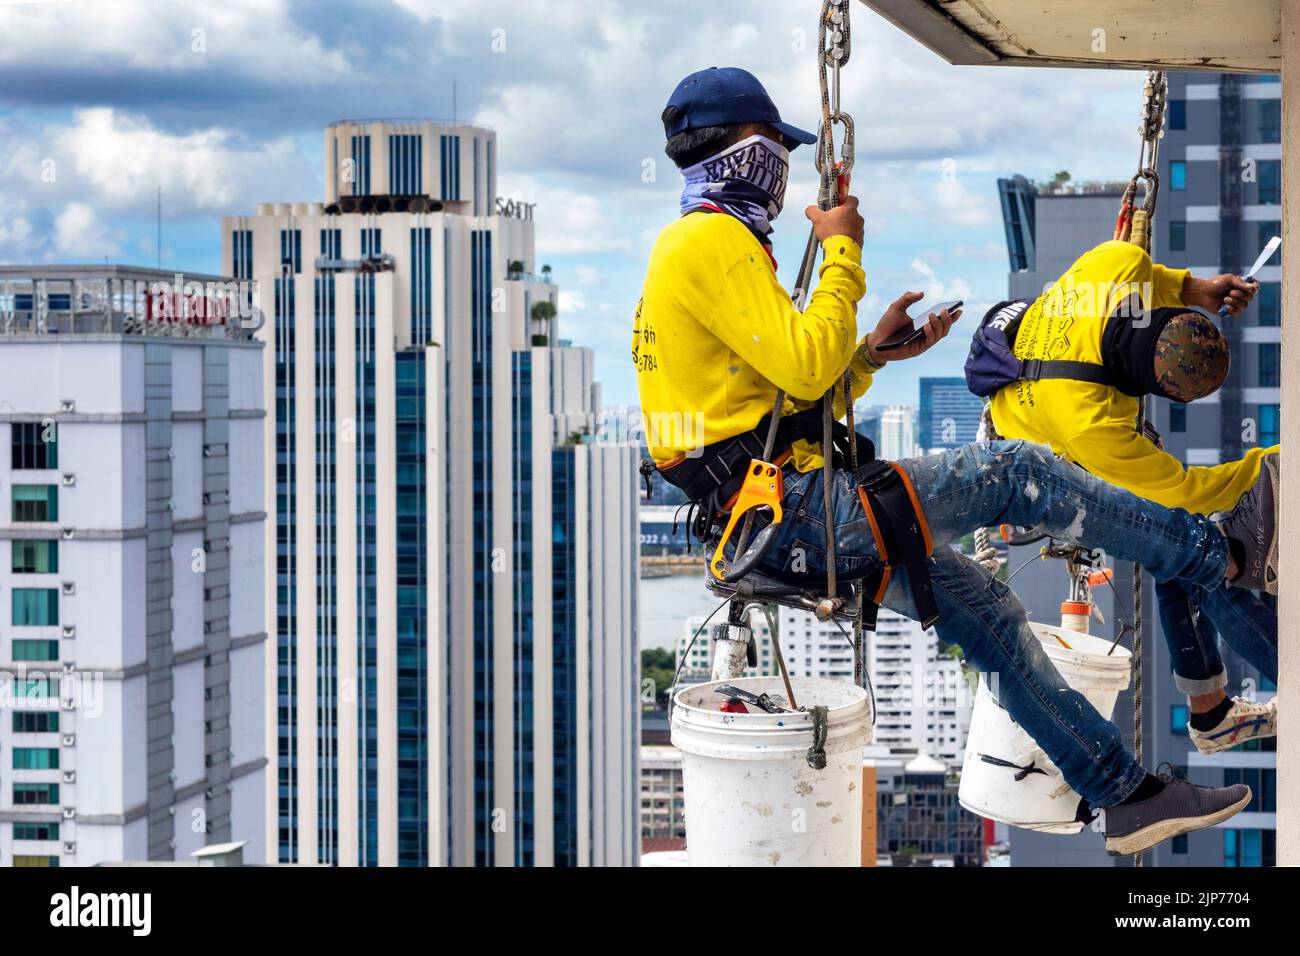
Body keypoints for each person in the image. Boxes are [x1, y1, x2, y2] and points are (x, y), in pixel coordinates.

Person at [634, 66, 1275, 856]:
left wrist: (869, 356)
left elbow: (772, 401)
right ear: (747, 150)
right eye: (780, 153)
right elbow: (803, 368)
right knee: (1018, 475)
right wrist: (841, 254)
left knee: (990, 622)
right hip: (799, 510)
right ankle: (1225, 557)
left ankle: (1127, 795)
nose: (789, 172)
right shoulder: (709, 241)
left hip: (778, 520)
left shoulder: (704, 246)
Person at [969, 239, 1279, 754]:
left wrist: (1200, 290)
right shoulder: (1095, 425)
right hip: (1029, 462)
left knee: (1181, 551)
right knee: (1189, 544)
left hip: (1039, 390)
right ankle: (1247, 683)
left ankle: (1211, 710)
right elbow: (1185, 494)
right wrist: (1266, 466)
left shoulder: (1121, 262)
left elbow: (1151, 275)